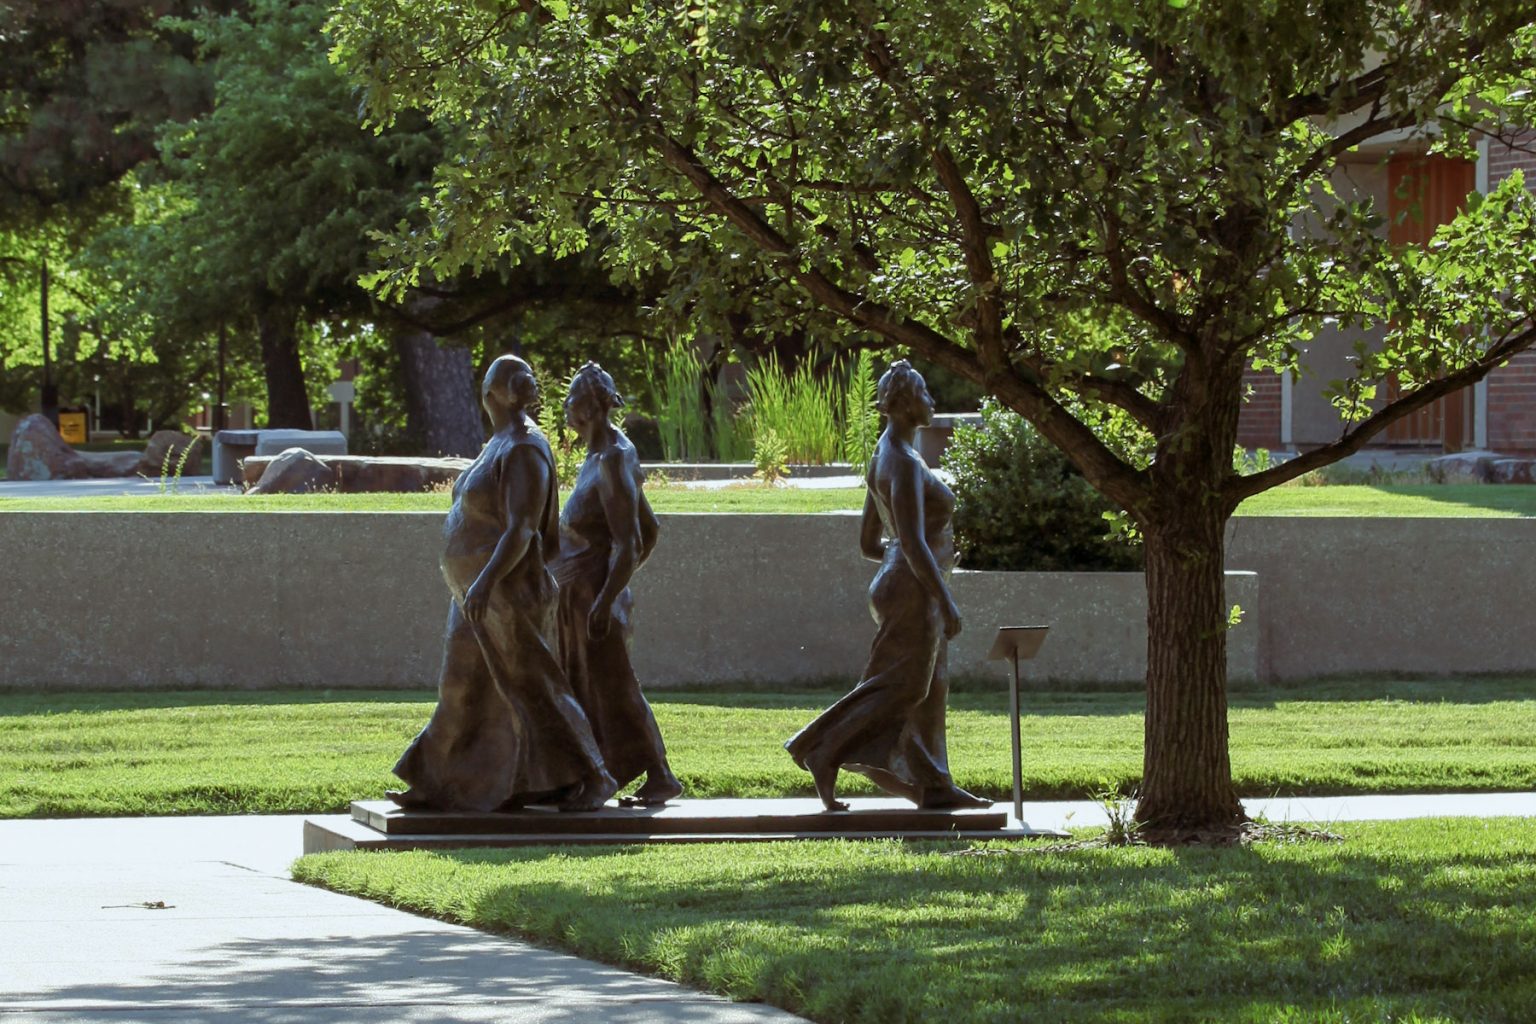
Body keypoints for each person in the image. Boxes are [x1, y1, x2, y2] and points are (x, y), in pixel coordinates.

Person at [389, 355, 617, 813]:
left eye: (521, 379)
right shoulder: (498, 443)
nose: (523, 385)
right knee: (458, 686)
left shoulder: (525, 447)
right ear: (492, 393)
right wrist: (472, 585)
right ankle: (436, 779)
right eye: (515, 379)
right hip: (475, 593)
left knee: (536, 685)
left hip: (508, 590)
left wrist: (485, 581)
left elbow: (522, 529)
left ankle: (596, 774)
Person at [785, 359, 989, 812]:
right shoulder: (902, 461)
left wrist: (921, 566)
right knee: (905, 687)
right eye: (924, 394)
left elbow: (869, 543)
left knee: (928, 690)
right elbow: (912, 540)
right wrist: (943, 596)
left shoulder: (886, 454)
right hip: (913, 589)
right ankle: (823, 749)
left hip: (905, 580)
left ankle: (935, 784)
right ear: (903, 404)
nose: (931, 401)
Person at [551, 361, 683, 805]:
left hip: (593, 597)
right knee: (593, 687)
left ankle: (651, 775)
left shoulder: (611, 459)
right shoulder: (599, 455)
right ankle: (604, 772)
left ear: (589, 406)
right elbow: (652, 527)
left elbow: (630, 541)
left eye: (570, 399)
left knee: (613, 688)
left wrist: (607, 596)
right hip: (582, 594)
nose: (566, 408)